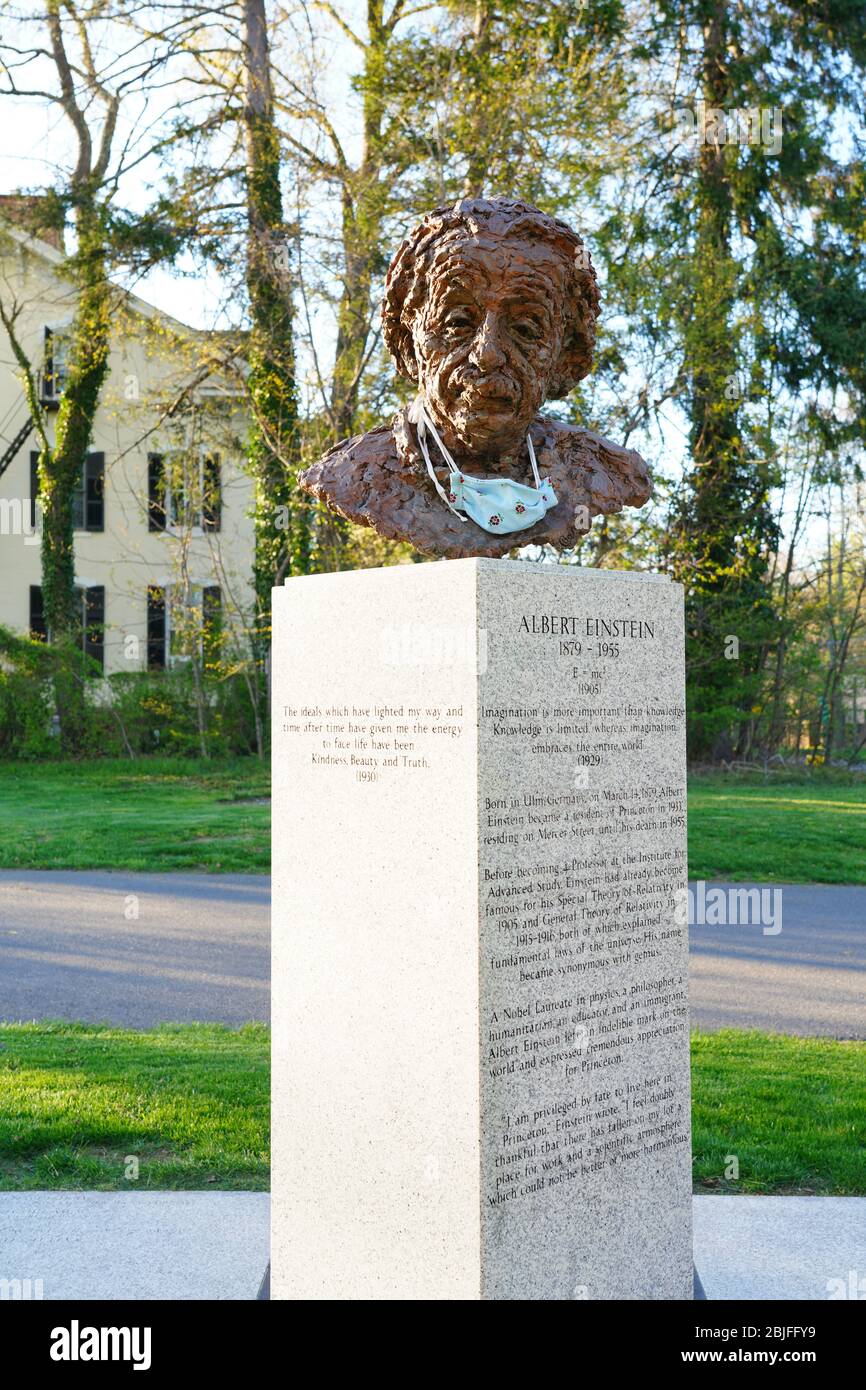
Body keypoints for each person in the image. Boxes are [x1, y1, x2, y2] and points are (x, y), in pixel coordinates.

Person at [300, 197, 651, 558]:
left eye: (526, 328)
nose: (487, 354)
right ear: (408, 342)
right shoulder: (352, 477)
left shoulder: (602, 471)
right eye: (456, 323)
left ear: (566, 359)